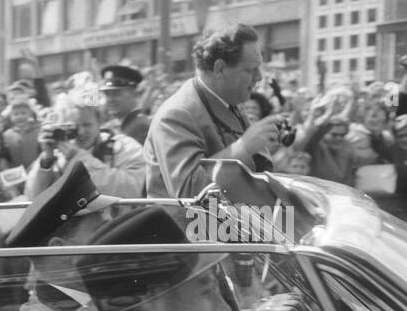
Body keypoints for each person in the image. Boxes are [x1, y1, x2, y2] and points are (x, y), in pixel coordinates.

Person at [144, 22, 287, 199]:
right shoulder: (176, 115)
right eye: (250, 70)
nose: (259, 77)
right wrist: (243, 147)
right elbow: (189, 191)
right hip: (186, 226)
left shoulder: (231, 102)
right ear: (220, 68)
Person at [99, 64, 150, 145]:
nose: (110, 99)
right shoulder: (113, 125)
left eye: (116, 93)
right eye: (107, 94)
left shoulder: (141, 127)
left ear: (133, 93)